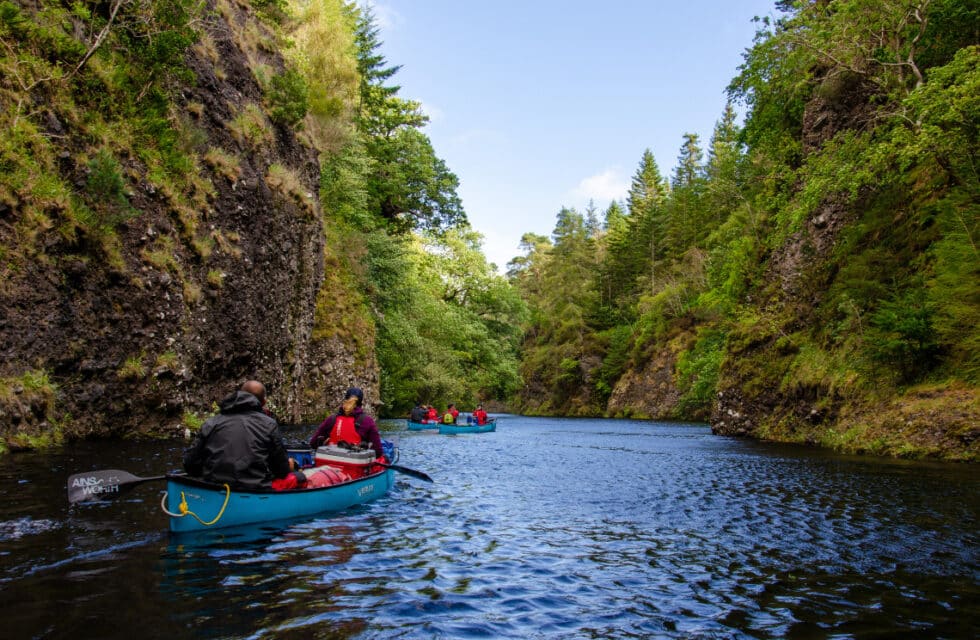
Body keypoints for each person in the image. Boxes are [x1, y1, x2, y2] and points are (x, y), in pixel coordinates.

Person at [183, 380, 298, 490]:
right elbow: (281, 471)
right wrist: (289, 466)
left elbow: (189, 464)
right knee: (299, 478)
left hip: (213, 487)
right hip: (255, 489)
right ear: (263, 402)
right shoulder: (269, 424)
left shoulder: (211, 423)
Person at [309, 387, 386, 461]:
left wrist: (325, 443)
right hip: (354, 467)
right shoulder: (368, 421)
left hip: (328, 464)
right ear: (361, 403)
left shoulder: (331, 419)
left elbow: (313, 443)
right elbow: (378, 452)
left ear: (345, 400)